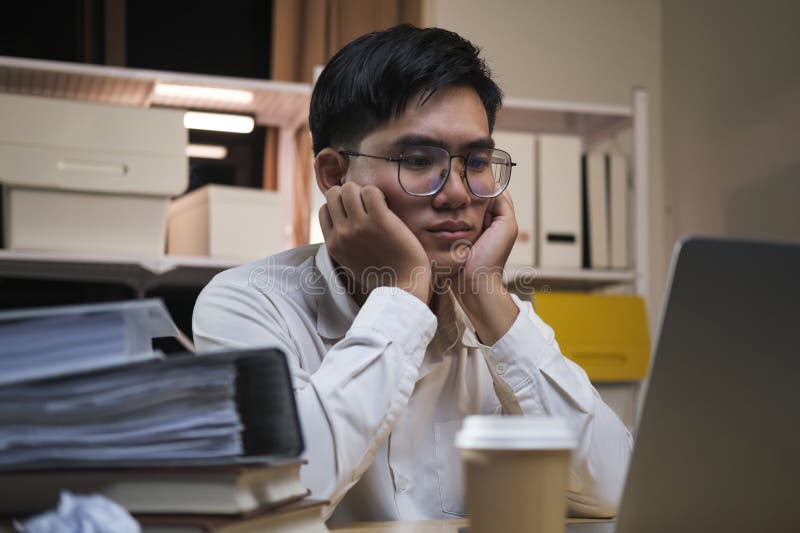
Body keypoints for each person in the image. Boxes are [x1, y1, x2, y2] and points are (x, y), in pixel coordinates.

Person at [193, 24, 632, 524]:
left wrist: (487, 295)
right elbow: (280, 493)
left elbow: (616, 492)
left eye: (477, 160)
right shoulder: (247, 303)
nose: (458, 193)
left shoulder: (492, 319)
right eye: (420, 160)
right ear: (336, 177)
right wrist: (403, 291)